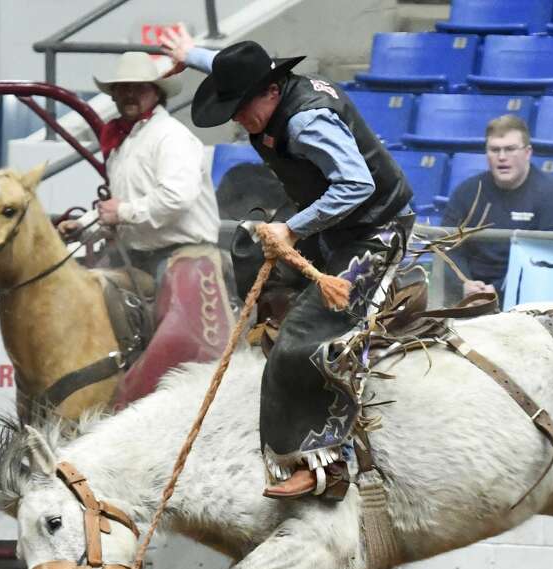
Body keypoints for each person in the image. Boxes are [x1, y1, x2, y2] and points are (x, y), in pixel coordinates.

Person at [163, 30, 415, 500]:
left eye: (240, 106)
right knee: (247, 246)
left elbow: (356, 185)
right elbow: (237, 65)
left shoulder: (306, 122)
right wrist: (189, 55)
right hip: (333, 224)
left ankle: (327, 465)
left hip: (375, 229)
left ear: (271, 92)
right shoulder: (268, 88)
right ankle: (276, 328)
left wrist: (294, 230)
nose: (237, 118)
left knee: (309, 337)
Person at [58, 50, 221, 286]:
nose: (130, 94)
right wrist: (82, 225)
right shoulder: (124, 143)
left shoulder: (171, 136)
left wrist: (122, 212)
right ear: (114, 95)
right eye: (123, 88)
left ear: (156, 92)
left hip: (185, 257)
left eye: (139, 87)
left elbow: (176, 198)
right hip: (138, 257)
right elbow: (124, 204)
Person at [440, 115, 553, 298]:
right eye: (494, 150)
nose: (502, 157)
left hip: (529, 298)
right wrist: (462, 284)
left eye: (510, 149)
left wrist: (497, 291)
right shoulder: (466, 192)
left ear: (527, 152)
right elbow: (448, 247)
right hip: (469, 295)